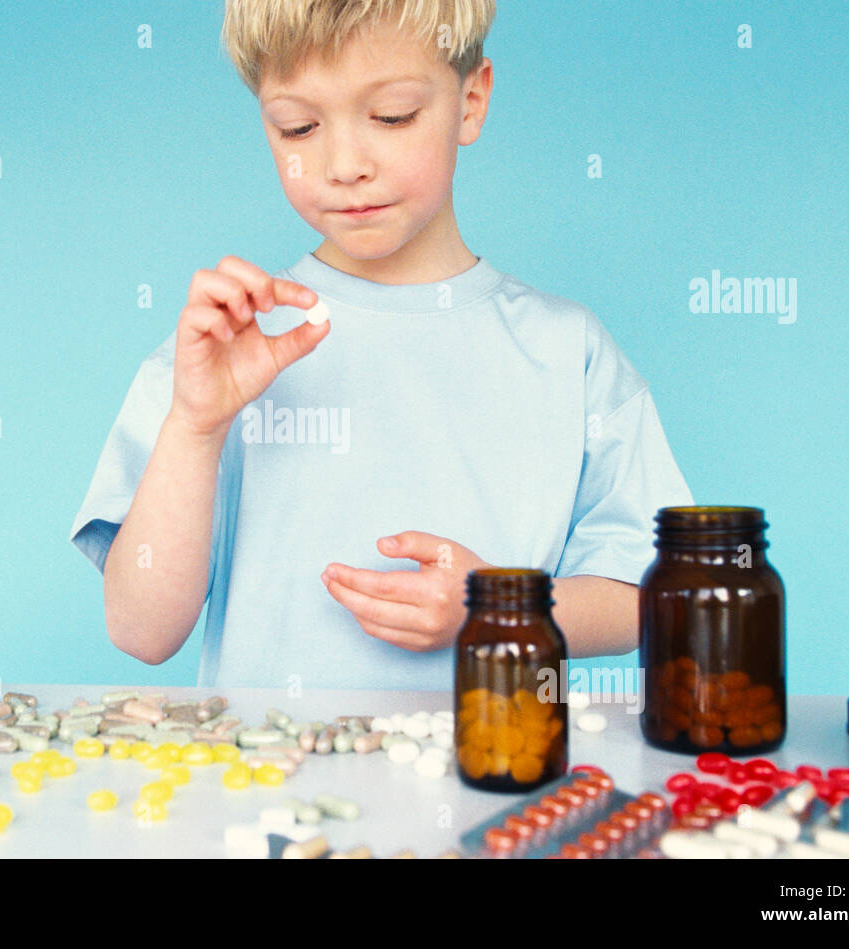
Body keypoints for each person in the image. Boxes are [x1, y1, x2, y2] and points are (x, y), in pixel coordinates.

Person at [71, 0, 694, 690]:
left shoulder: (565, 352)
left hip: (493, 783)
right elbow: (139, 631)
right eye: (297, 126)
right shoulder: (220, 355)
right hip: (266, 790)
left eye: (392, 115)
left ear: (471, 101)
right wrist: (196, 424)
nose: (343, 164)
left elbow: (652, 595)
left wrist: (491, 609)